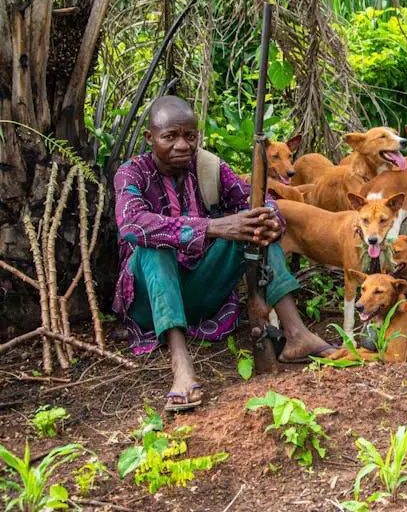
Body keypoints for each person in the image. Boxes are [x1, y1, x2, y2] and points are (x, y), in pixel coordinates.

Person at [113, 96, 333, 411]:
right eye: (169, 137)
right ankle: (181, 367)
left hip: (202, 293)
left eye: (189, 136)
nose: (181, 145)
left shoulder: (208, 167)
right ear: (150, 138)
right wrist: (213, 227)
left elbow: (258, 201)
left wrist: (270, 219)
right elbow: (132, 224)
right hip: (150, 302)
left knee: (252, 224)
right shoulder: (131, 173)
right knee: (155, 246)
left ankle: (296, 334)